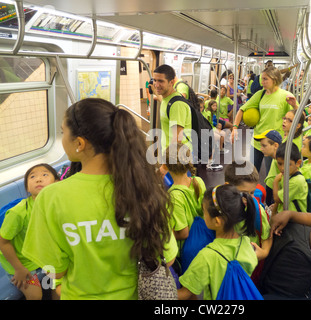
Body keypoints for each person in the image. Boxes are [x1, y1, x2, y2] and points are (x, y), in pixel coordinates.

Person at [22, 98, 178, 300]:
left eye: (63, 132)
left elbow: (54, 272)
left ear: (79, 143)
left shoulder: (51, 198)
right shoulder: (144, 188)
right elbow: (170, 258)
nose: (62, 139)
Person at [177, 184, 258, 300]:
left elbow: (185, 294)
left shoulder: (207, 256)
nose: (203, 215)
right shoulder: (246, 243)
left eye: (204, 211)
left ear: (217, 221)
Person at [0, 163, 59, 300]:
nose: (38, 179)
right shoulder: (18, 213)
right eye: (32, 177)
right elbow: (3, 242)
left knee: (60, 284)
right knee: (35, 295)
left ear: (57, 182)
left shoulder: (57, 206)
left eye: (45, 174)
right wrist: (18, 269)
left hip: (41, 255)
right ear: (27, 187)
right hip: (20, 261)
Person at [232, 66, 299, 175]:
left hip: (274, 143)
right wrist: (234, 127)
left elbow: (300, 117)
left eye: (265, 79)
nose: (262, 82)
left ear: (275, 79)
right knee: (251, 174)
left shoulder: (286, 96)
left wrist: (295, 105)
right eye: (261, 79)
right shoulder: (260, 94)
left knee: (272, 175)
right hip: (257, 140)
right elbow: (242, 110)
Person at [224, 161, 272, 261]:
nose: (248, 198)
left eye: (252, 192)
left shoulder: (257, 210)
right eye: (243, 193)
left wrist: (264, 253)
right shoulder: (218, 207)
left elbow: (266, 237)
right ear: (227, 186)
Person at [162, 143, 206, 250]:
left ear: (166, 166)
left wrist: (165, 235)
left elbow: (183, 233)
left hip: (186, 249)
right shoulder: (198, 181)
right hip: (202, 240)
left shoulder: (174, 196)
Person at [153, 64, 192, 154]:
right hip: (170, 156)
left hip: (177, 160)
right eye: (155, 80)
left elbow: (177, 139)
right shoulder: (167, 99)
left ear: (171, 82)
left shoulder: (176, 105)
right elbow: (163, 101)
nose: (157, 85)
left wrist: (166, 165)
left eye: (161, 81)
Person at [272, 142, 308, 214]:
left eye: (288, 164)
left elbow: (277, 198)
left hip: (294, 220)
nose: (282, 168)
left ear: (298, 163)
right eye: (279, 163)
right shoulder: (287, 174)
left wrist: (275, 181)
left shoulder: (297, 181)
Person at [253, 129, 282, 207]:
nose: (261, 149)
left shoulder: (281, 162)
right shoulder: (275, 158)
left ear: (275, 145)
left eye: (264, 145)